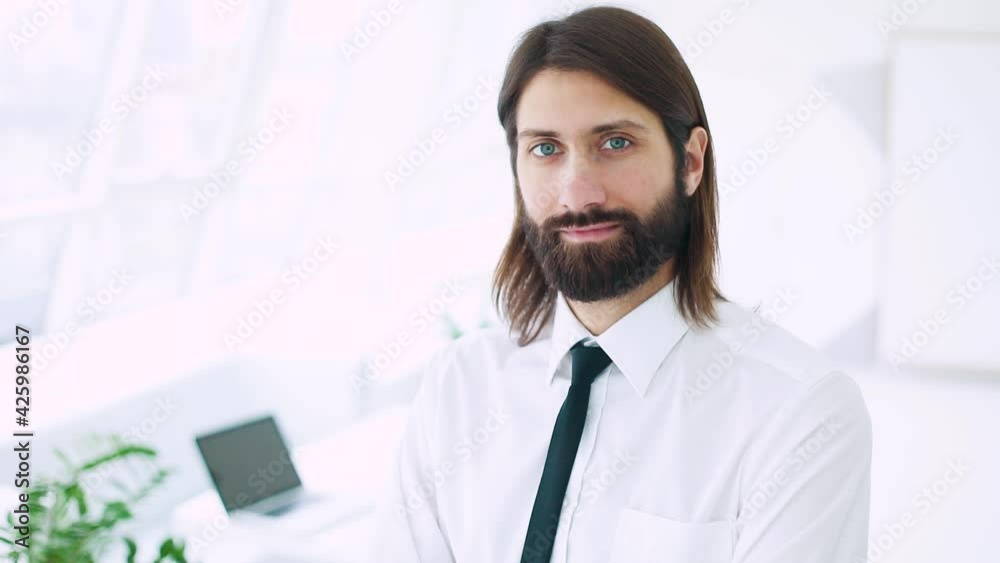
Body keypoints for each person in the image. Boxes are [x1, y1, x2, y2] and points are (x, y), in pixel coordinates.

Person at [371, 6, 872, 563]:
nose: (577, 193)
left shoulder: (796, 412)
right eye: (545, 149)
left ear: (690, 161)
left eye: (614, 143)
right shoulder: (458, 389)